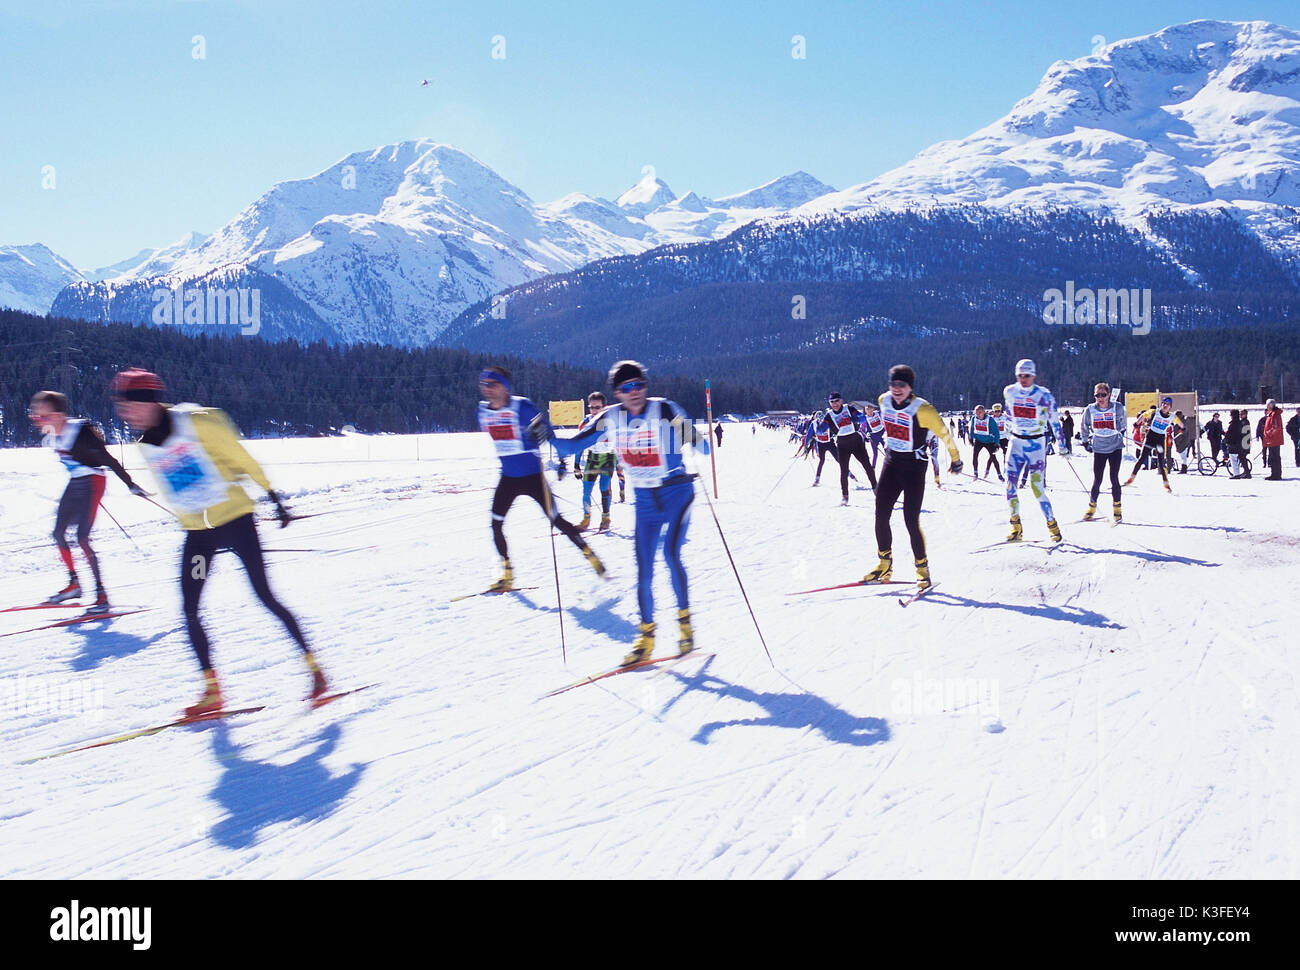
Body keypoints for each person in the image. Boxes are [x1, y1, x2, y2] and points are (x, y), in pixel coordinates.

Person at [109, 368, 329, 717]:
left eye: (128, 404)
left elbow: (242, 460)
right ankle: (213, 692)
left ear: (148, 401)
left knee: (265, 596)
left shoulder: (197, 423)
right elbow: (178, 486)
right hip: (200, 537)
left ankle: (315, 670)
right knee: (191, 609)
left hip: (237, 523)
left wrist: (274, 497)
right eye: (121, 406)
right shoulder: (143, 446)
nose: (124, 412)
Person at [543, 361, 710, 666]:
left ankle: (685, 626)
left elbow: (703, 446)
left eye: (639, 385)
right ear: (617, 393)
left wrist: (695, 440)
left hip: (676, 493)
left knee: (671, 556)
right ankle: (646, 638)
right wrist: (546, 435)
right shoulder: (610, 419)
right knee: (643, 569)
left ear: (646, 386)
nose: (634, 392)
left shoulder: (664, 410)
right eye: (626, 388)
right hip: (645, 501)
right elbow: (570, 448)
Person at [477, 365, 606, 592]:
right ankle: (507, 574)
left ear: (504, 387)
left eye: (493, 384)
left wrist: (560, 459)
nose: (487, 389)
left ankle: (588, 553)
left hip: (533, 478)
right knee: (495, 524)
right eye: (484, 384)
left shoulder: (522, 407)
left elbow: (548, 436)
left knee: (557, 520)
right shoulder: (483, 412)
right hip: (508, 478)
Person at [27, 390, 149, 611]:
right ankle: (74, 585)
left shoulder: (81, 434)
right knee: (58, 533)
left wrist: (130, 484)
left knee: (82, 537)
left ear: (59, 414)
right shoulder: (52, 432)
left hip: (93, 481)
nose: (39, 421)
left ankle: (102, 596)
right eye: (36, 417)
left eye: (43, 416)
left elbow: (110, 461)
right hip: (75, 482)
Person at [861, 364, 962, 592]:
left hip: (914, 466)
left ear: (910, 387)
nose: (897, 389)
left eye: (902, 385)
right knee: (880, 514)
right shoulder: (882, 400)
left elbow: (944, 433)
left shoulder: (923, 409)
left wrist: (955, 459)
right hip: (891, 461)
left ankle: (922, 570)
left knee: (910, 520)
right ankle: (884, 564)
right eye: (893, 384)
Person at [1002, 359, 1064, 542]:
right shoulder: (1009, 391)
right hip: (1016, 442)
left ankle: (1053, 526)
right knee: (1010, 485)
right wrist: (1006, 435)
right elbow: (1008, 413)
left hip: (1036, 444)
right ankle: (1016, 528)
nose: (1023, 379)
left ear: (1034, 375)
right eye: (1020, 376)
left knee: (1036, 488)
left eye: (1027, 376)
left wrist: (1062, 445)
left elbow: (1054, 421)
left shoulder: (1043, 395)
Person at [813, 391, 878, 505]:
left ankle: (875, 488)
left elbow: (862, 417)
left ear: (841, 401)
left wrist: (857, 419)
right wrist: (818, 426)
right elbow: (821, 429)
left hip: (856, 441)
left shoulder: (848, 408)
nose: (835, 404)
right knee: (843, 471)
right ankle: (845, 496)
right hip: (842, 444)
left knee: (867, 466)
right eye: (832, 402)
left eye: (837, 401)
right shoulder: (829, 416)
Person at [1080, 383, 1127, 522]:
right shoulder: (1090, 409)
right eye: (1097, 395)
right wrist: (1085, 441)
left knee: (1114, 478)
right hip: (1099, 448)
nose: (1100, 398)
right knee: (1097, 479)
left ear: (1108, 394)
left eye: (1103, 395)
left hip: (1115, 447)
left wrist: (1120, 430)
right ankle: (1091, 508)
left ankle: (1117, 509)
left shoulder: (1117, 407)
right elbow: (1084, 425)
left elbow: (1123, 423)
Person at [573, 391, 616, 530]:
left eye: (597, 407)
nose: (593, 410)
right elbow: (580, 445)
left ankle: (606, 518)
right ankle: (586, 520)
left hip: (608, 458)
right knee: (586, 491)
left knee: (604, 488)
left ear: (604, 407)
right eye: (591, 407)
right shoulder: (585, 423)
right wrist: (576, 465)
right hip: (593, 458)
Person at [1125, 397, 1182, 492]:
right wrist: (1136, 423)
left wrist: (1182, 429)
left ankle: (1166, 484)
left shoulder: (1172, 416)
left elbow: (1180, 424)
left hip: (1160, 439)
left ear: (1170, 407)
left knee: (1161, 462)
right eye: (1163, 403)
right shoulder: (1155, 411)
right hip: (1150, 437)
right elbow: (1143, 415)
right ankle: (1131, 478)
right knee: (1142, 458)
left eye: (1167, 404)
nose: (1164, 405)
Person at [801, 408, 836, 486]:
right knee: (821, 461)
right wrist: (806, 445)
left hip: (830, 443)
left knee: (838, 459)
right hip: (820, 444)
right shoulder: (813, 423)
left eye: (821, 417)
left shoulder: (827, 422)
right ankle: (817, 479)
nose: (820, 419)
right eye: (818, 417)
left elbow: (834, 429)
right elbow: (809, 434)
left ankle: (849, 474)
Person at [969, 404, 1003, 480]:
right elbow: (971, 428)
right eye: (976, 413)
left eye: (980, 412)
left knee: (993, 458)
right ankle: (975, 472)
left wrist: (996, 444)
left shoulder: (990, 420)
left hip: (989, 441)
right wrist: (970, 438)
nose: (978, 414)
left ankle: (999, 474)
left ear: (984, 412)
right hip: (978, 440)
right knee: (975, 455)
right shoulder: (974, 418)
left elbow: (996, 432)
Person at [1262, 399, 1284, 480]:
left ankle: (1276, 474)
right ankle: (1274, 473)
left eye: (1267, 405)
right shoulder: (1271, 414)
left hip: (1274, 439)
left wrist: (1268, 433)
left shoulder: (1275, 414)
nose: (1267, 407)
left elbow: (1275, 427)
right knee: (1273, 457)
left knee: (1274, 457)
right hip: (1272, 440)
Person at [1224, 410, 1246, 478]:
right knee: (1237, 459)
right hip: (1239, 443)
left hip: (1232, 444)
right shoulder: (1240, 423)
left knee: (1233, 460)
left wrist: (1226, 440)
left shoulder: (1233, 424)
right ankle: (1237, 473)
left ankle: (1236, 474)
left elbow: (1229, 434)